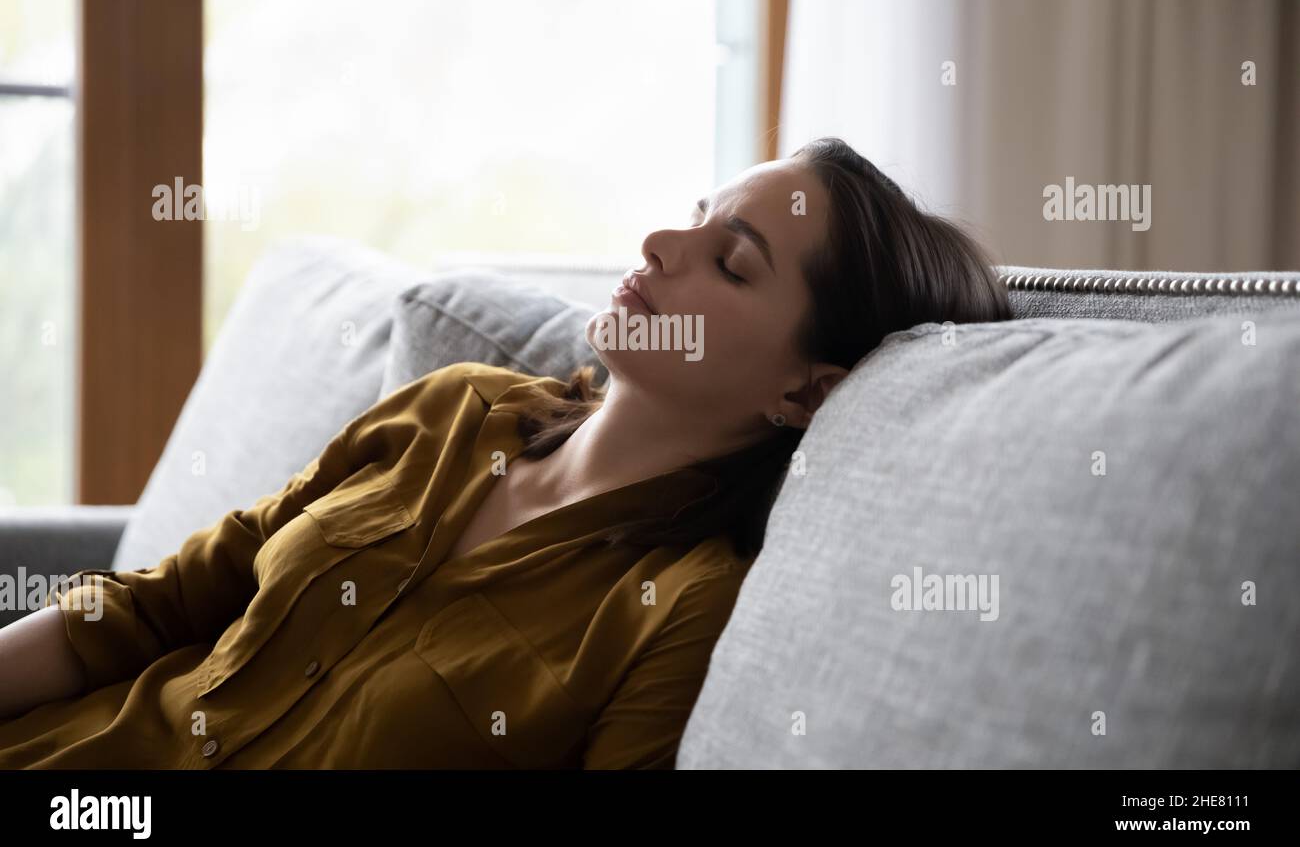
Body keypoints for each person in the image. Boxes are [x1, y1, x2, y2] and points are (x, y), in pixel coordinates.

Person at [0, 137, 1012, 768]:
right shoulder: (456, 408)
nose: (662, 241)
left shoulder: (677, 605)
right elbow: (160, 602)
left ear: (803, 388)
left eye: (729, 261)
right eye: (696, 213)